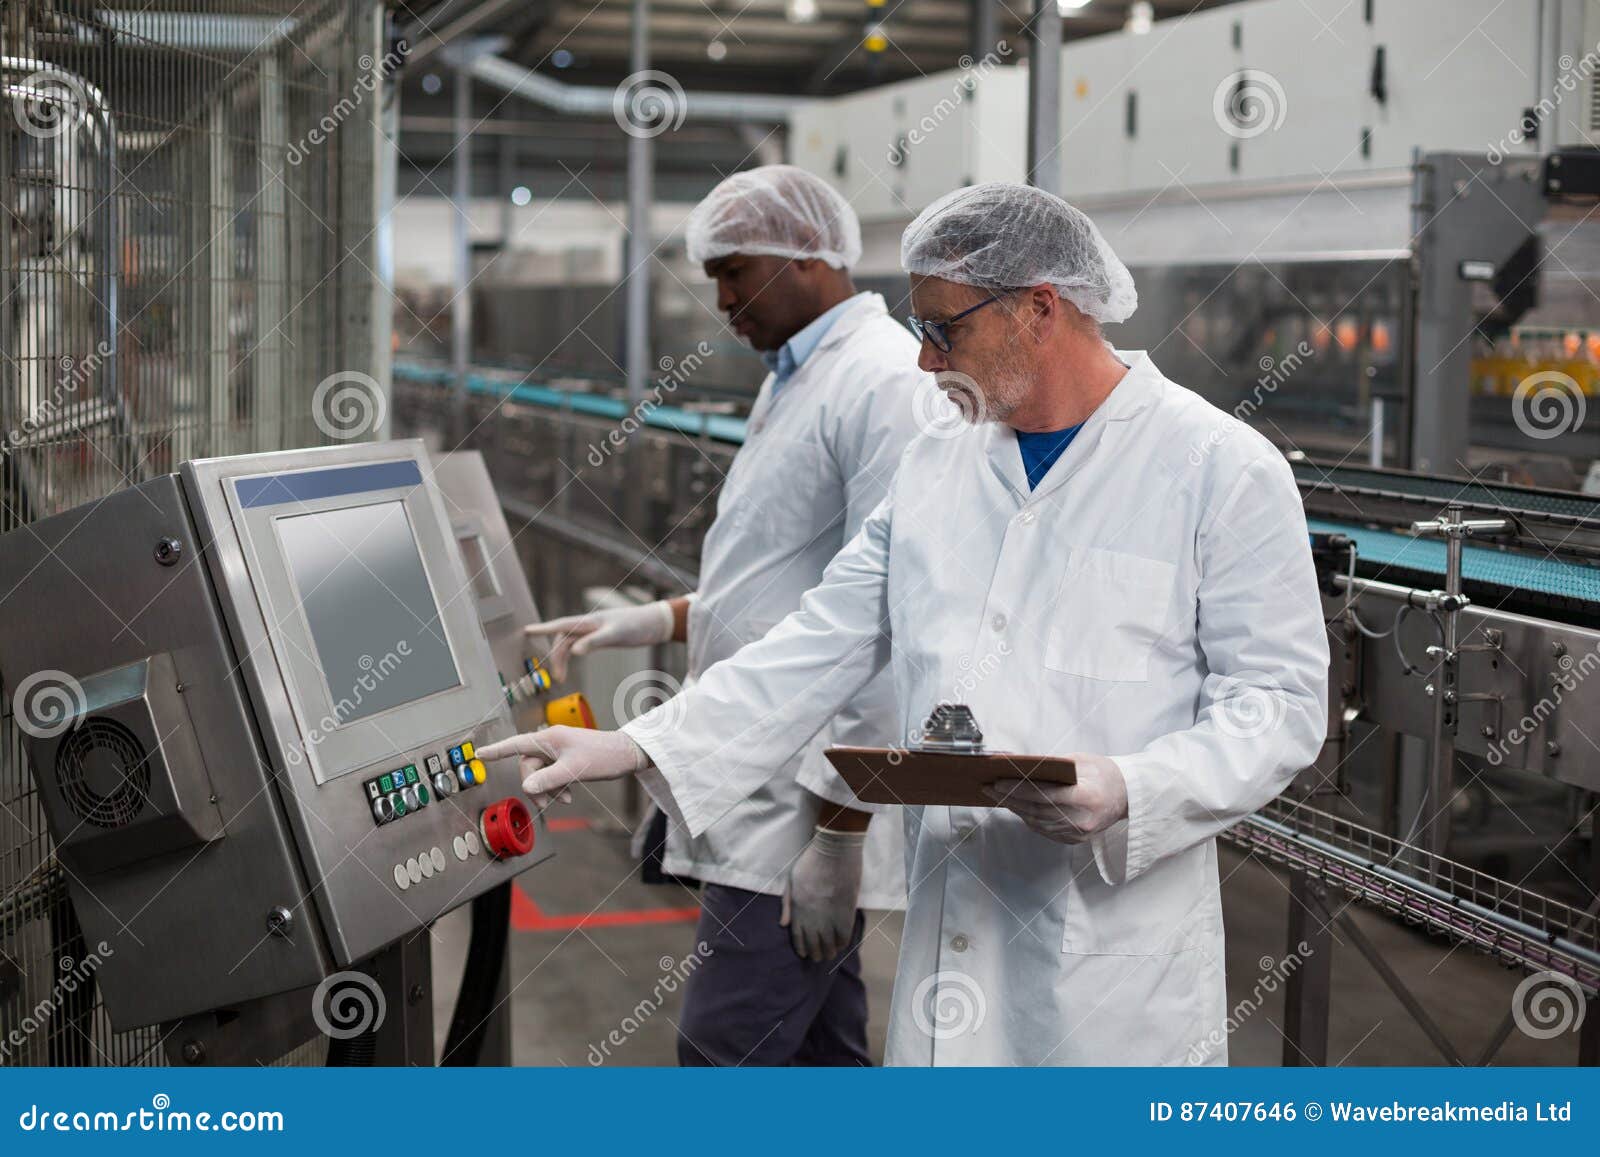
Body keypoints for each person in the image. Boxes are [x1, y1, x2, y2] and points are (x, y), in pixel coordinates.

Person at [481, 181, 1330, 1065]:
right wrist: (636, 746)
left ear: (1040, 308)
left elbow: (1278, 703)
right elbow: (819, 641)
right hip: (952, 933)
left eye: (944, 328)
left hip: (1113, 966)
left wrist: (1132, 787)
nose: (925, 363)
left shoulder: (1219, 468)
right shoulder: (937, 468)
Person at [517, 165, 934, 1066]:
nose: (722, 299)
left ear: (809, 256)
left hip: (799, 802)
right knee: (824, 1053)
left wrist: (839, 835)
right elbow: (784, 580)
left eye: (735, 271)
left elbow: (887, 622)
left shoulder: (883, 382)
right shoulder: (795, 374)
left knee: (722, 1053)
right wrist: (653, 620)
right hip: (760, 780)